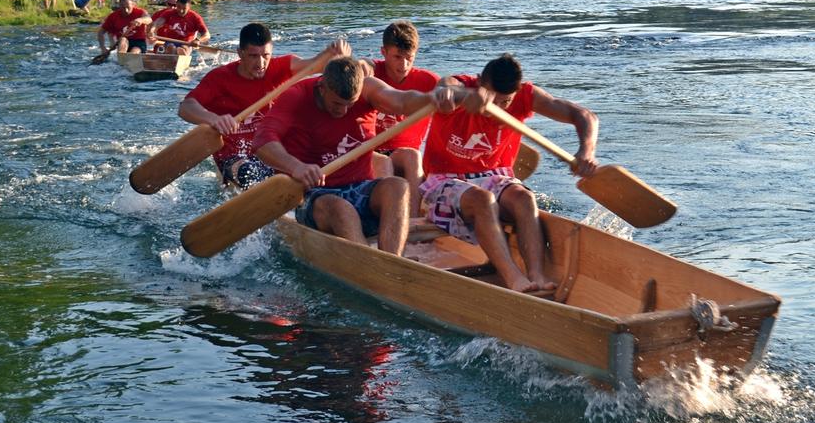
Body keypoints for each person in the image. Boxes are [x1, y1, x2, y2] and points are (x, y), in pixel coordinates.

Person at [420, 54, 598, 294]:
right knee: (483, 201)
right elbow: (446, 86)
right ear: (480, 81)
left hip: (495, 174)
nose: (499, 108)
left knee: (525, 199)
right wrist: (456, 96)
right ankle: (513, 278)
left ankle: (536, 274)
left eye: (506, 102)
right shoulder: (461, 85)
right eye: (493, 98)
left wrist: (586, 151)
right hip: (444, 178)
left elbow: (585, 116)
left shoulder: (526, 96)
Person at [254, 57, 458, 255]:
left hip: (360, 188)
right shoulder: (296, 96)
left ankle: (390, 263)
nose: (343, 111)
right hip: (314, 195)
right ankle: (369, 266)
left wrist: (430, 98)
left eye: (350, 104)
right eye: (336, 104)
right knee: (342, 209)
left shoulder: (368, 87)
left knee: (398, 187)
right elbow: (262, 141)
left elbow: (402, 101)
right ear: (322, 87)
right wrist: (296, 167)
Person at [179, 23, 349, 188]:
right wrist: (213, 119)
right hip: (236, 156)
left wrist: (333, 55)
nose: (260, 63)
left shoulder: (281, 66)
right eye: (253, 56)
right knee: (250, 174)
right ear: (240, 53)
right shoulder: (219, 78)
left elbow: (315, 66)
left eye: (265, 55)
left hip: (274, 150)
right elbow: (186, 107)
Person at [370, 21, 439, 216]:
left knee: (412, 156)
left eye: (409, 58)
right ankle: (386, 219)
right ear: (383, 52)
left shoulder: (430, 82)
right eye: (397, 57)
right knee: (384, 164)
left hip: (404, 156)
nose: (404, 65)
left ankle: (414, 220)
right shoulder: (370, 73)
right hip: (368, 152)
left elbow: (454, 90)